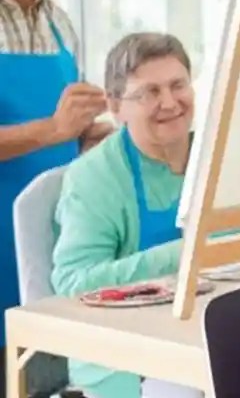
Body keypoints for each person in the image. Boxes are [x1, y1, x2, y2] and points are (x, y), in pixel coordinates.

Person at [51, 32, 199, 398]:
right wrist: (183, 255)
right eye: (149, 92)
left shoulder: (216, 154)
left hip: (199, 333)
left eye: (178, 85)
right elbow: (73, 282)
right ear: (116, 107)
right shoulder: (94, 177)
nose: (170, 102)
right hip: (118, 356)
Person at [0, 0, 112, 356]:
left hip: (47, 237)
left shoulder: (60, 23)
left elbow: (66, 135)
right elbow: (53, 128)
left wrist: (92, 138)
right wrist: (53, 130)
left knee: (41, 366)